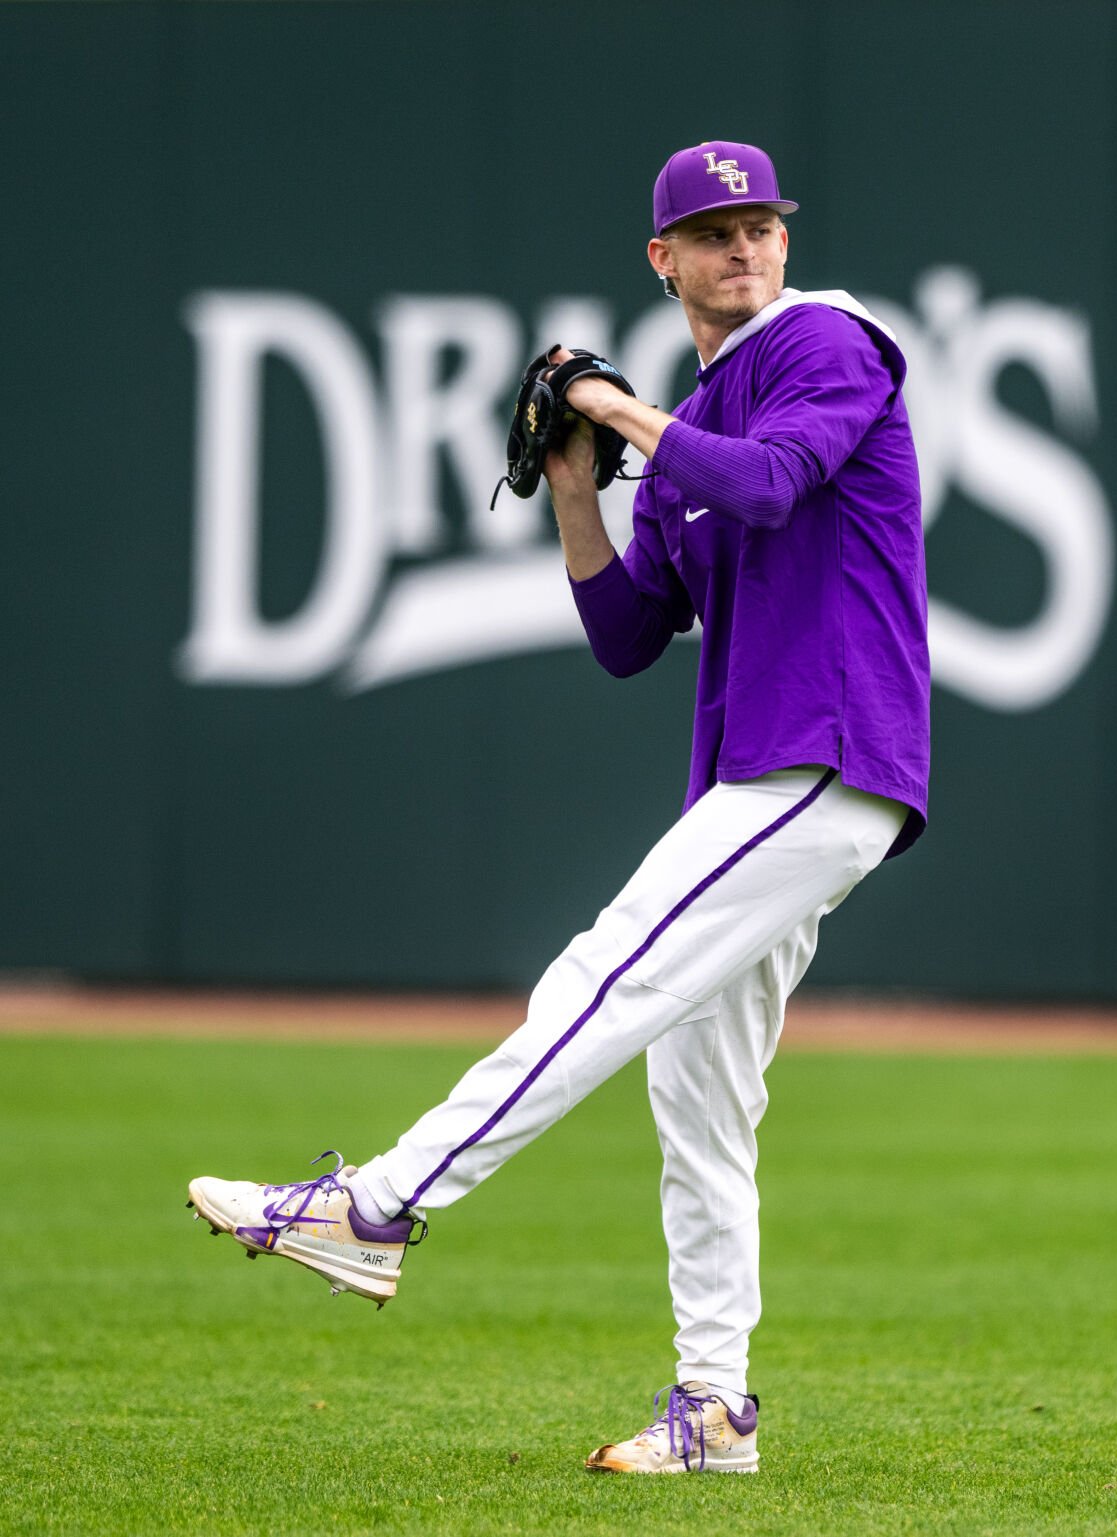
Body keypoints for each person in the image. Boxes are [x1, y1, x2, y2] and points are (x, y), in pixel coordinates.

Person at [188, 139, 930, 1476]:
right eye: (713, 233)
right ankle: (715, 1412)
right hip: (768, 768)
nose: (743, 248)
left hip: (823, 749)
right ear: (665, 260)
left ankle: (378, 1205)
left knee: (606, 972)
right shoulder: (704, 406)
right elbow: (631, 629)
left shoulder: (825, 343)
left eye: (759, 223)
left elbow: (766, 481)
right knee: (698, 1097)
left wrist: (626, 412)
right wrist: (583, 487)